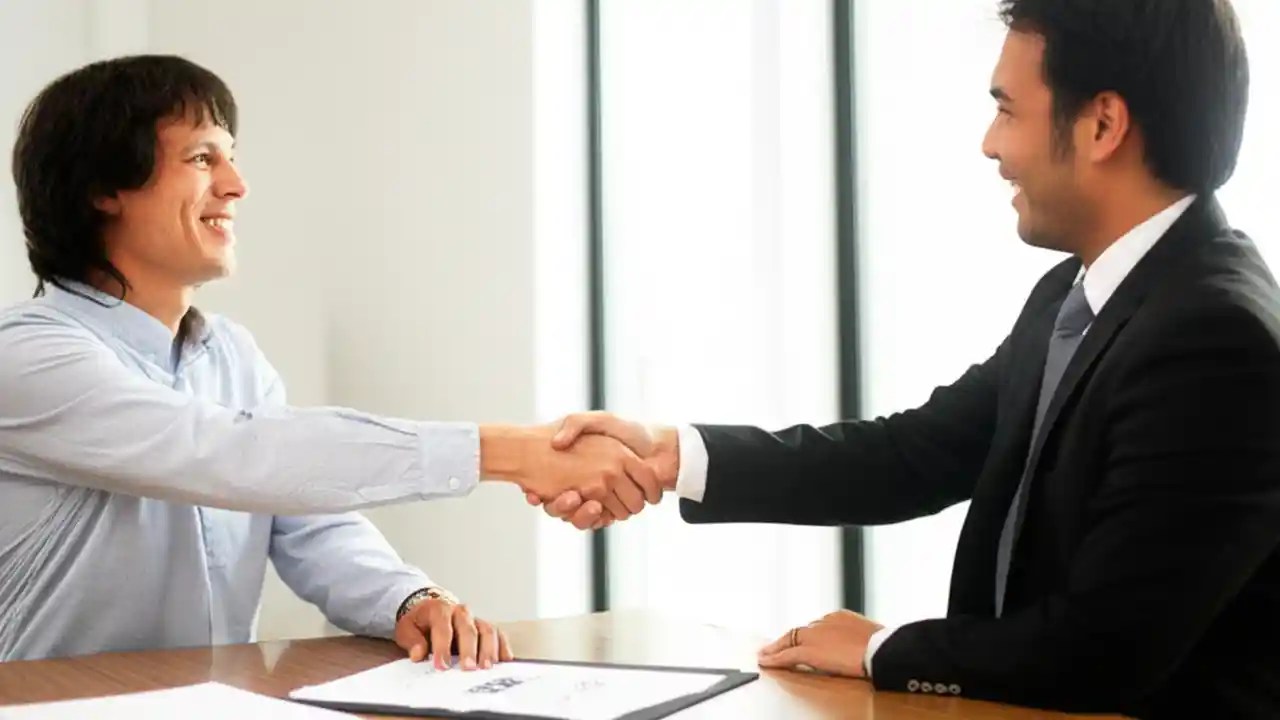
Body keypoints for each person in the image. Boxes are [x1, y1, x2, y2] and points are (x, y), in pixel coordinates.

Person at [535, 1, 1280, 716]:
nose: (991, 144)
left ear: (1102, 124)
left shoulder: (1216, 339)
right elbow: (914, 454)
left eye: (1008, 109)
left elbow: (1102, 650)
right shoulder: (1078, 291)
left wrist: (883, 650)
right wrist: (669, 457)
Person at [0, 55, 660, 663]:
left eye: (231, 158)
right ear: (102, 189)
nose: (236, 185)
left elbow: (303, 520)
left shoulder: (230, 353)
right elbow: (231, 455)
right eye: (203, 158)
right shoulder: (28, 353)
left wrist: (407, 599)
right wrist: (510, 451)